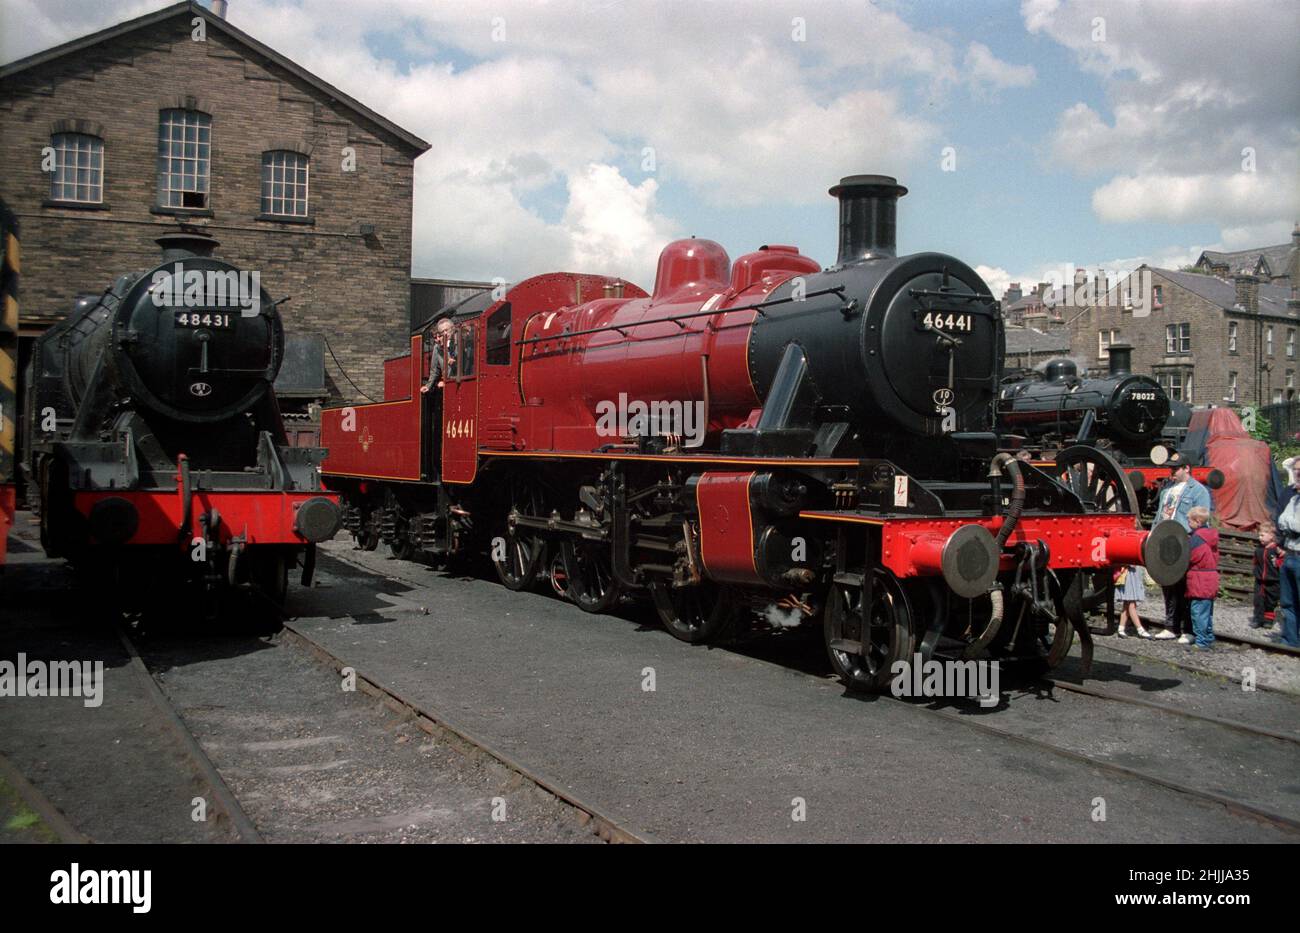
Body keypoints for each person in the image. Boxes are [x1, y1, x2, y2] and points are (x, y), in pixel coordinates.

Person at [1152, 455, 1212, 642]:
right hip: (1165, 542)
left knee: (1186, 587)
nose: (1172, 471)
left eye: (1175, 468)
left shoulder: (1198, 491)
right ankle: (1171, 626)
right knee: (1168, 585)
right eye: (1171, 468)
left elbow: (1201, 520)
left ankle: (1188, 629)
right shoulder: (1167, 490)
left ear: (1186, 468)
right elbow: (1160, 514)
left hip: (1184, 541)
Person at [1273, 466, 1300, 648]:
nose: (1297, 474)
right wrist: (1291, 524)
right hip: (1290, 554)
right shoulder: (1293, 499)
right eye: (1296, 471)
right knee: (1288, 602)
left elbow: (1295, 525)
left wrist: (1290, 524)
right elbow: (1280, 521)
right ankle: (1290, 641)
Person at [1185, 506, 1219, 650]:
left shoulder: (1197, 538)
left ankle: (1201, 642)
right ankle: (1208, 637)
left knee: (1198, 612)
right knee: (1207, 612)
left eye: (1189, 521)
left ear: (1197, 522)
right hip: (1211, 578)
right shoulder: (1210, 536)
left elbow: (1190, 557)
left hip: (1199, 579)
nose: (1188, 523)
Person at [1251, 522, 1284, 630]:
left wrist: (1278, 562)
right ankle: (1258, 619)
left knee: (1271, 600)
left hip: (1273, 580)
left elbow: (1283, 560)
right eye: (1259, 535)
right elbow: (1255, 562)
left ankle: (1268, 620)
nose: (1259, 538)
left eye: (1262, 535)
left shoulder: (1276, 549)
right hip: (1260, 580)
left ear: (1271, 536)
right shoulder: (1259, 549)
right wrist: (1255, 571)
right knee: (1258, 599)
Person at [420, 317, 456, 394]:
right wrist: (428, 386)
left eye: (447, 330)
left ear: (452, 330)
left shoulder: (459, 343)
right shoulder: (437, 348)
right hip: (447, 385)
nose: (445, 333)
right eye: (442, 332)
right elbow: (434, 371)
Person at [1114, 563, 1150, 638]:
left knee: (1126, 605)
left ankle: (1121, 629)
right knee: (1131, 604)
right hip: (1128, 575)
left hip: (1132, 574)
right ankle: (1140, 630)